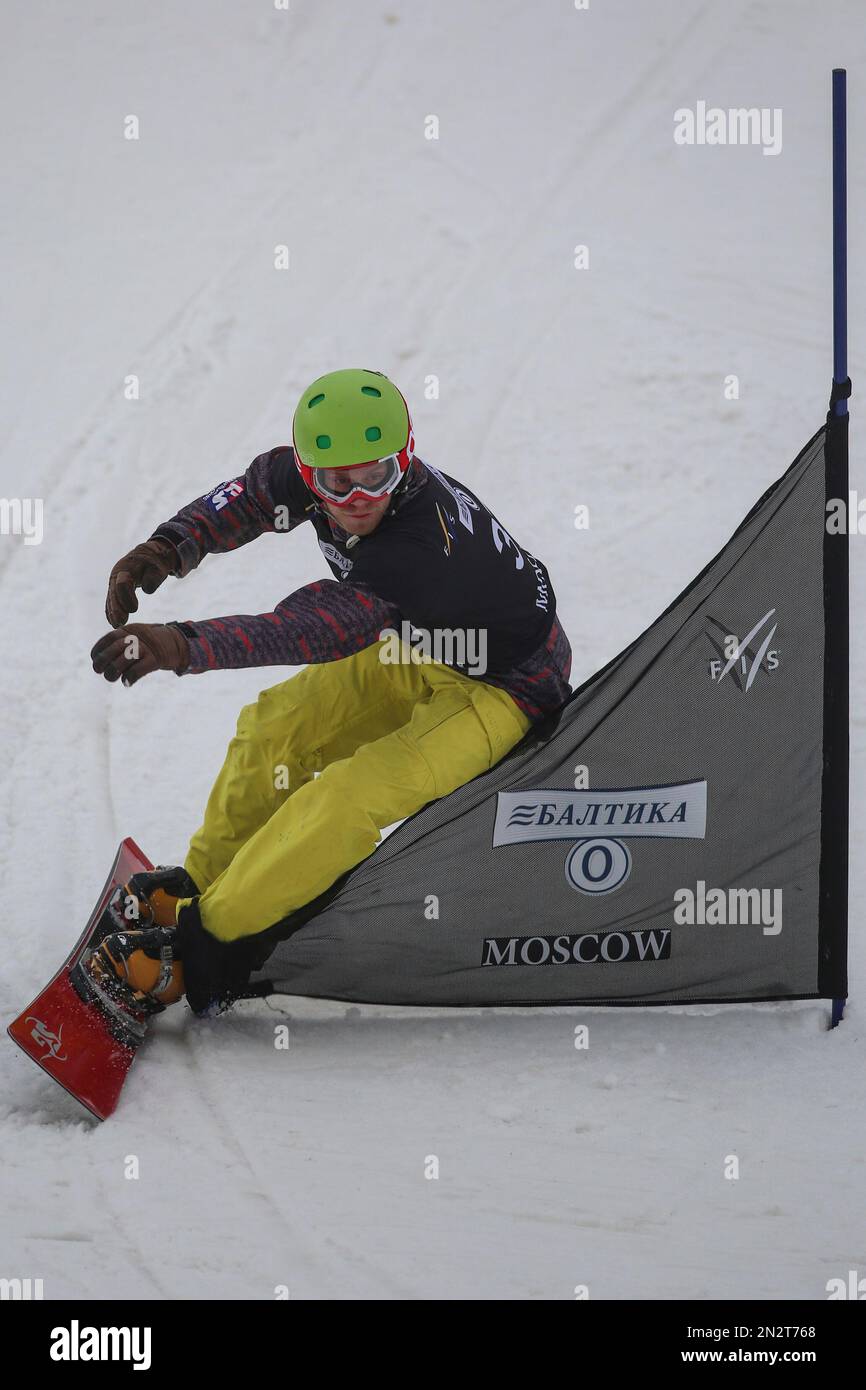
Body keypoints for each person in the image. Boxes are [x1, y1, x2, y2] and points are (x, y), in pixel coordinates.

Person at [89, 368, 573, 1016]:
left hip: (503, 687)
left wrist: (179, 645)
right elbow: (253, 498)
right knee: (274, 728)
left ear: (406, 461)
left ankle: (201, 952)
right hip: (428, 644)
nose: (354, 498)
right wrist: (169, 545)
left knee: (344, 799)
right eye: (334, 482)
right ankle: (204, 882)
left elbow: (302, 631)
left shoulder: (417, 549)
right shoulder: (312, 479)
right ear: (308, 470)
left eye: (376, 476)